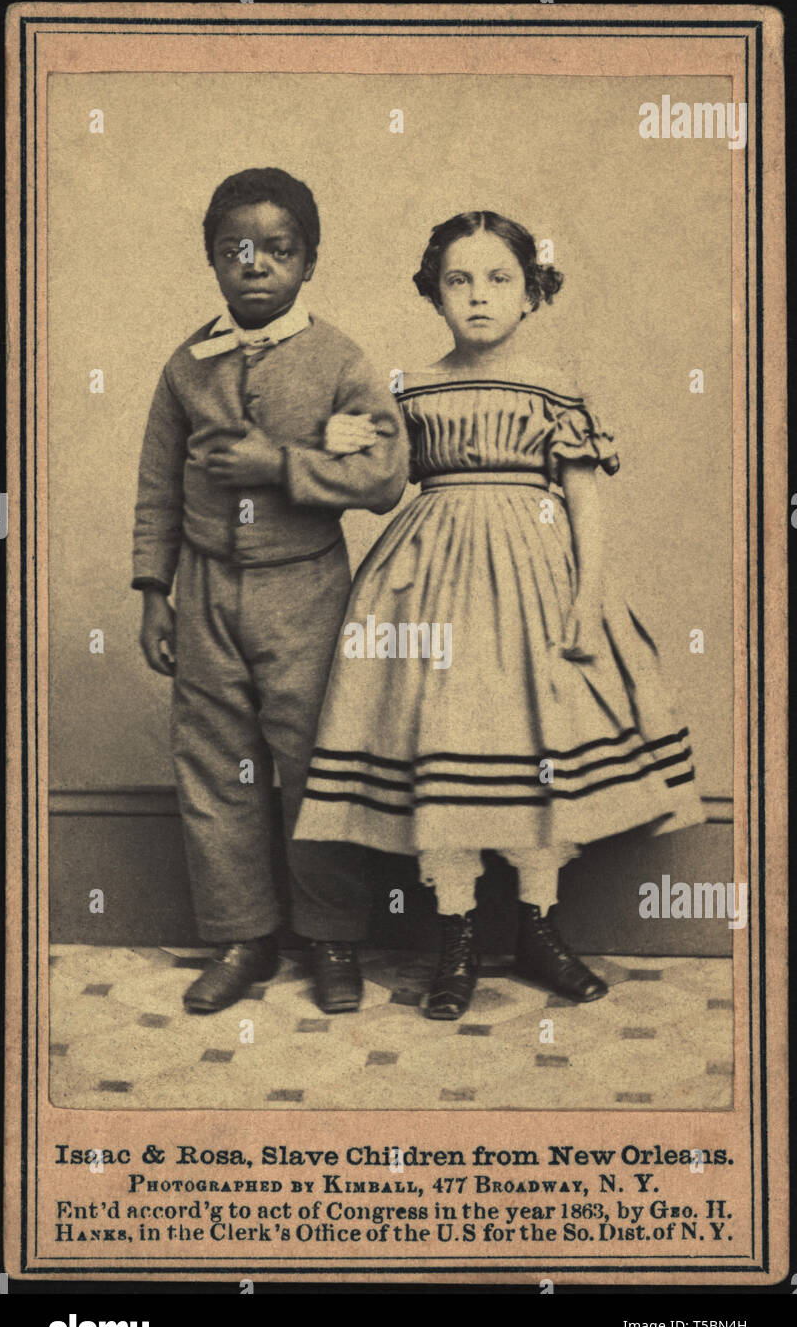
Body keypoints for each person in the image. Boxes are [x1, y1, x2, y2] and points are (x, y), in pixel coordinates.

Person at [294, 209, 705, 1019]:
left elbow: (583, 498)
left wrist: (584, 605)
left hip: (532, 581)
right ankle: (457, 939)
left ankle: (539, 929)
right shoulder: (409, 386)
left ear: (530, 293)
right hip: (427, 585)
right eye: (457, 280)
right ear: (433, 293)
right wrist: (337, 435)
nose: (478, 296)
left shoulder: (553, 387)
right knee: (442, 744)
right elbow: (379, 474)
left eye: (498, 279)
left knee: (534, 745)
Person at [131, 167, 408, 1015]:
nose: (255, 266)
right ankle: (242, 938)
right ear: (213, 260)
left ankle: (331, 938)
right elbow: (155, 485)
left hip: (307, 594)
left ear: (309, 262)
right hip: (208, 593)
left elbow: (384, 472)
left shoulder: (338, 362)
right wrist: (154, 590)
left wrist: (280, 466)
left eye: (277, 250)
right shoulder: (187, 365)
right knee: (215, 769)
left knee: (316, 766)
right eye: (234, 251)